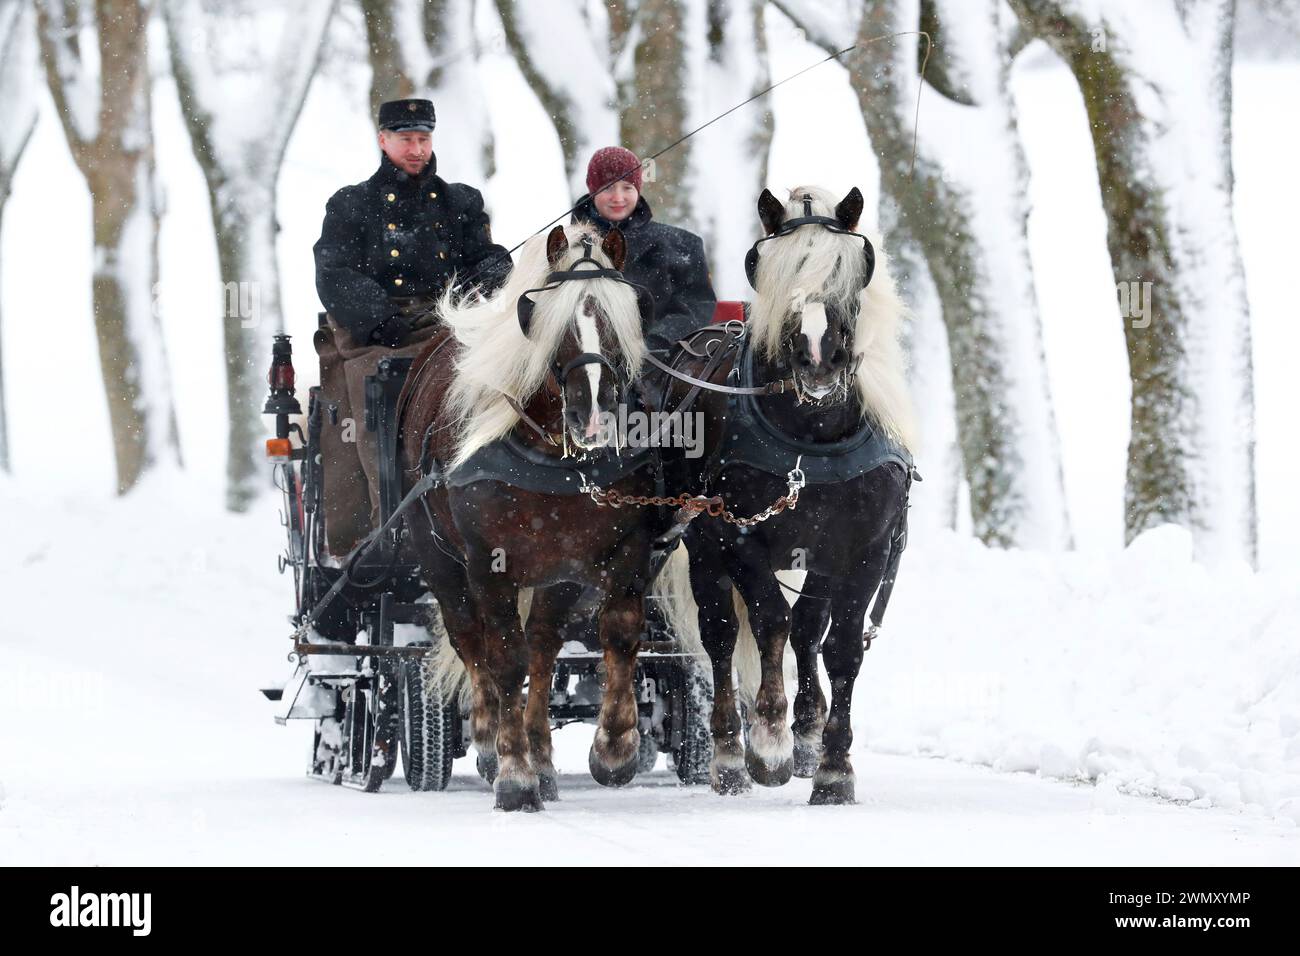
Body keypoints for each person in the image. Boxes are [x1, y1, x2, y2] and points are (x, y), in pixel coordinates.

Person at [313, 97, 510, 557]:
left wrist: (496, 268)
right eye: (406, 139)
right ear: (383, 141)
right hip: (376, 335)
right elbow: (334, 272)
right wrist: (380, 318)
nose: (416, 148)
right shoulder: (351, 204)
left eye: (423, 139)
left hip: (450, 323)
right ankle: (393, 528)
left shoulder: (461, 201)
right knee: (381, 396)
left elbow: (481, 255)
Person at [571, 147, 716, 352]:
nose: (618, 197)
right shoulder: (563, 246)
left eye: (627, 187)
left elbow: (696, 305)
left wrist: (654, 343)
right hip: (578, 365)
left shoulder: (684, 245)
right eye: (608, 188)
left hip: (662, 367)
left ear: (638, 189)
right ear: (592, 189)